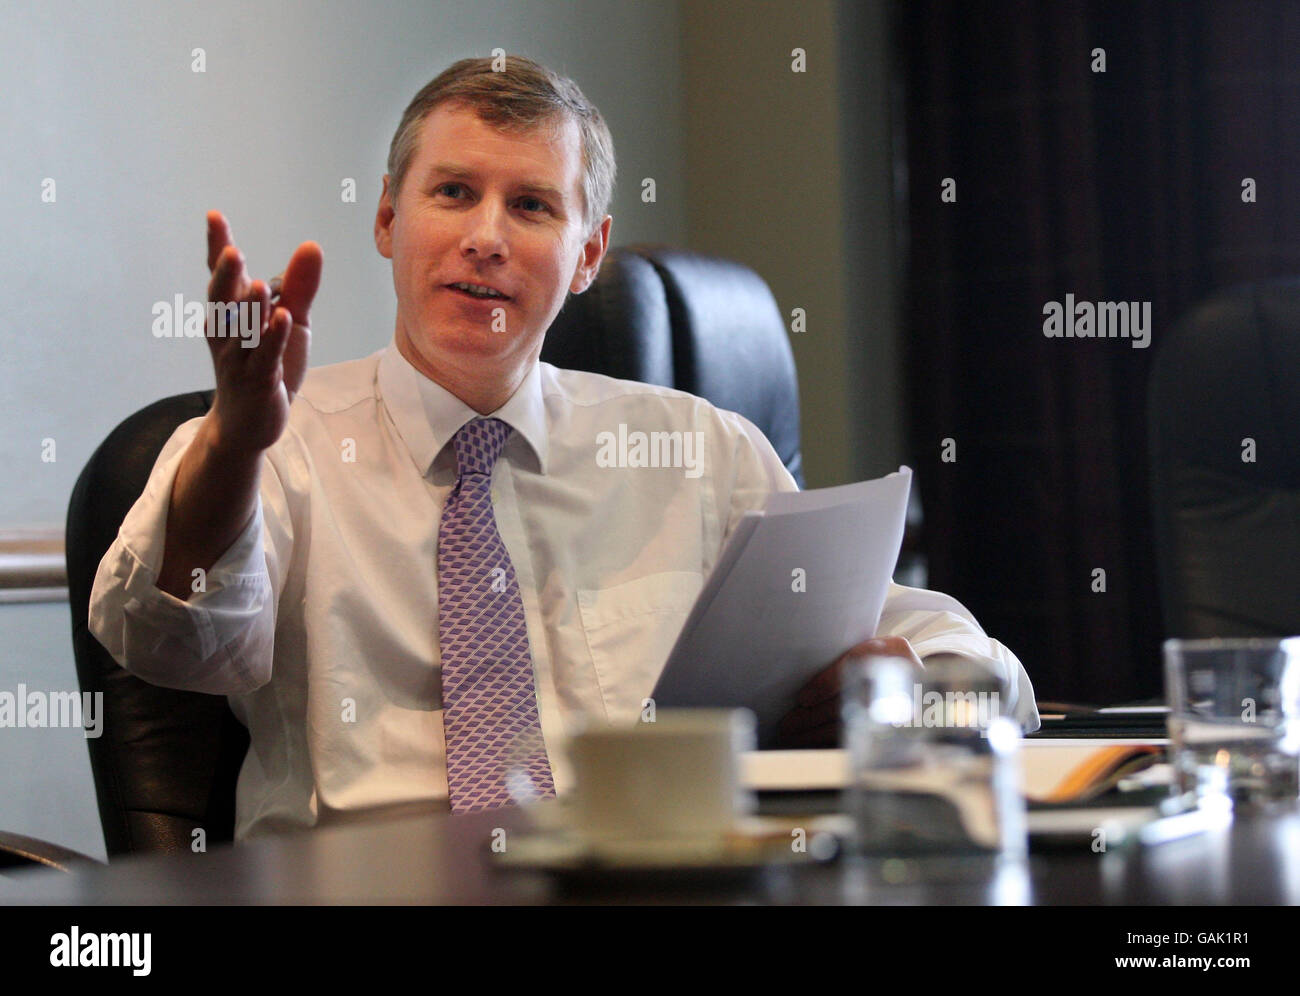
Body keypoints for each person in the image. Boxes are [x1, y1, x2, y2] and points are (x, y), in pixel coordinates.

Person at [89, 55, 1038, 841]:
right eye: (453, 193)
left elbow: (949, 641)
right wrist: (235, 442)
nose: (486, 239)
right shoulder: (276, 446)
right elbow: (165, 639)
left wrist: (912, 691)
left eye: (534, 206)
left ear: (588, 251)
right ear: (388, 218)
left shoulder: (696, 451)